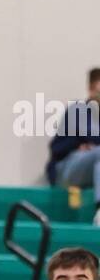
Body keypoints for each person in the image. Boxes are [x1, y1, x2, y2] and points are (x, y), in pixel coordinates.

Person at [46, 68, 100, 212]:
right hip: (66, 169)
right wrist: (82, 144)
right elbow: (90, 134)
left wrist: (91, 146)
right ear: (91, 89)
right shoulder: (78, 109)